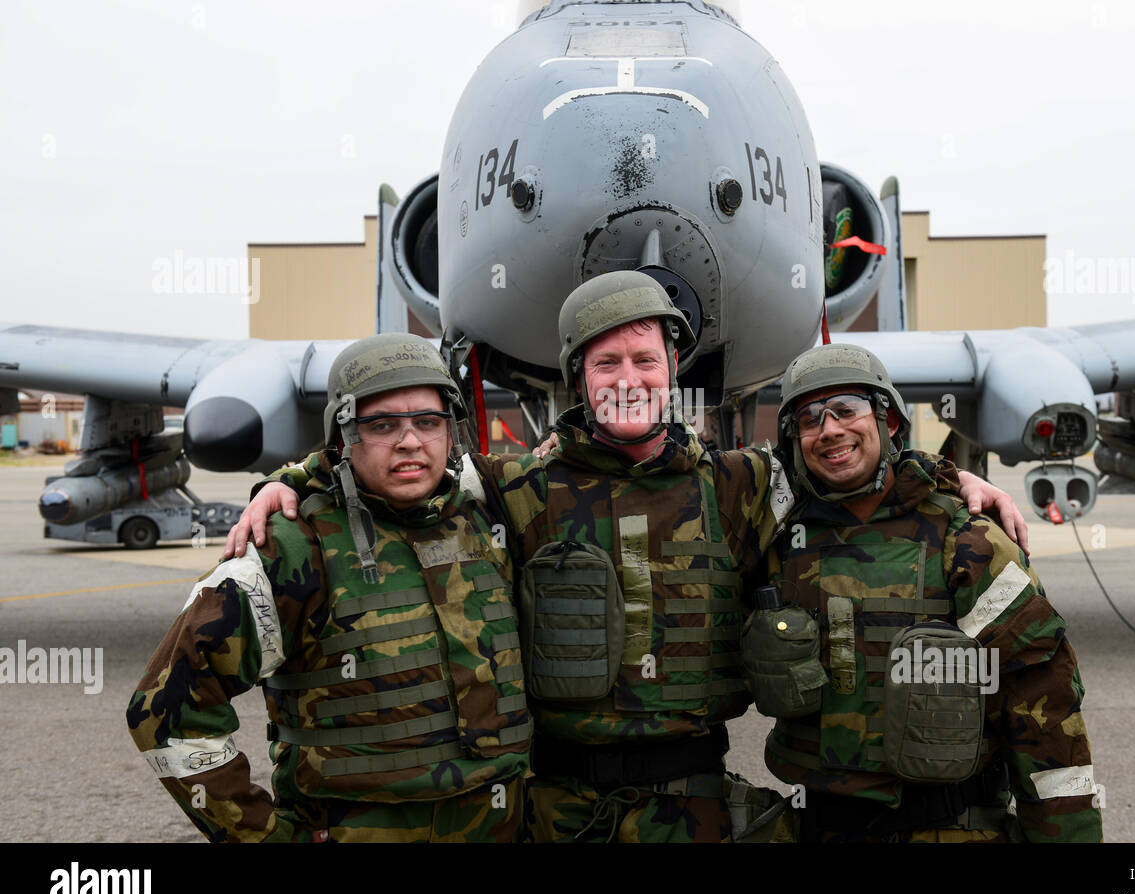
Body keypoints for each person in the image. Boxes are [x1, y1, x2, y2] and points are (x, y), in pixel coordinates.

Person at [225, 271, 1028, 842]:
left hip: (694, 803)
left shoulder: (740, 484)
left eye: (646, 360)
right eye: (606, 363)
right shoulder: (515, 488)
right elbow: (398, 462)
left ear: (673, 370)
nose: (629, 378)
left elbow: (849, 460)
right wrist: (291, 480)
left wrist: (950, 480)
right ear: (578, 377)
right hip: (555, 808)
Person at [126, 335, 532, 842]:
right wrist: (265, 837)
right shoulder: (290, 547)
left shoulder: (492, 510)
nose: (410, 441)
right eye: (381, 425)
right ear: (343, 435)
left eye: (428, 422)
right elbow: (164, 713)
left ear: (451, 429)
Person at [749, 343, 1102, 842]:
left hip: (947, 826)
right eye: (809, 418)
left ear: (889, 420)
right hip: (816, 825)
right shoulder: (779, 541)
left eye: (846, 409)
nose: (829, 429)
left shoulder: (968, 541)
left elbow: (1044, 705)